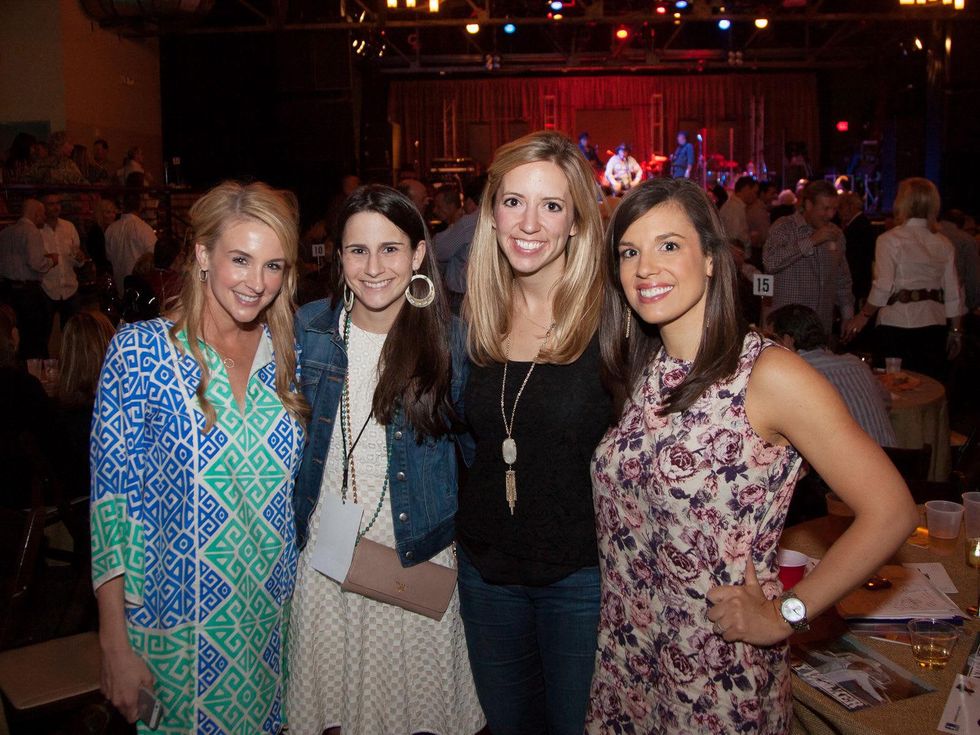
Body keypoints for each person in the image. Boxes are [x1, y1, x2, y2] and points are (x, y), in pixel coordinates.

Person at [586, 178, 916, 733]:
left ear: (713, 260)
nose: (645, 267)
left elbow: (892, 512)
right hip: (630, 661)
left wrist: (787, 614)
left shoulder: (769, 375)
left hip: (715, 675)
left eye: (668, 245)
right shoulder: (645, 370)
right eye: (629, 251)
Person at [90, 181, 308, 732]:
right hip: (170, 635)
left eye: (273, 266)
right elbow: (111, 505)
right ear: (202, 254)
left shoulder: (295, 360)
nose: (256, 284)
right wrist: (113, 642)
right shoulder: (138, 352)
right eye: (240, 259)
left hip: (273, 631)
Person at [287, 185, 484, 735]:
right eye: (358, 250)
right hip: (329, 553)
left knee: (416, 715)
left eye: (390, 249)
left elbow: (478, 454)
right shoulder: (309, 331)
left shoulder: (450, 341)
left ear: (419, 254)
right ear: (338, 256)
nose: (374, 267)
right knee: (337, 715)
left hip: (415, 551)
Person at [457, 130, 609, 735]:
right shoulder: (471, 320)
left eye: (551, 206)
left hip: (581, 576)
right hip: (485, 573)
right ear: (491, 212)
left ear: (575, 222)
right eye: (513, 201)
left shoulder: (616, 320)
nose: (529, 223)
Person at [842, 178, 963, 380]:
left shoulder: (889, 240)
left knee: (895, 391)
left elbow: (883, 287)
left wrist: (862, 317)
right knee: (927, 389)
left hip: (897, 325)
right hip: (934, 325)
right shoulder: (944, 243)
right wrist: (956, 331)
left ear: (901, 203)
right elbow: (953, 294)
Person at [766, 303, 896, 447]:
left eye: (771, 340)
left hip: (847, 466)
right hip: (898, 463)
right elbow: (886, 402)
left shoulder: (796, 375)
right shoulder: (856, 364)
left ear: (787, 341)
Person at [764, 179, 855, 336]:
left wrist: (847, 315)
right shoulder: (785, 227)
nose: (830, 215)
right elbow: (770, 262)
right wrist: (812, 241)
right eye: (825, 208)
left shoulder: (837, 234)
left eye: (834, 209)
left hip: (821, 328)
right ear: (808, 205)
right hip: (787, 331)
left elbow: (842, 279)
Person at [0, 198, 54, 357]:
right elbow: (36, 263)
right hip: (28, 293)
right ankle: (36, 371)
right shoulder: (31, 232)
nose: (44, 217)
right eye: (43, 214)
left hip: (7, 291)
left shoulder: (5, 232)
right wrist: (52, 260)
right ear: (36, 214)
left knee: (14, 333)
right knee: (35, 338)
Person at [39, 192, 86, 345]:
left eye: (57, 203)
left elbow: (77, 259)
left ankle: (71, 364)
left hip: (70, 289)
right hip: (47, 289)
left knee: (73, 335)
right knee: (44, 334)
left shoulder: (68, 227)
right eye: (51, 204)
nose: (55, 207)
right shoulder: (37, 230)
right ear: (43, 207)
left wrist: (80, 258)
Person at [105, 190, 157, 297]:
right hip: (140, 286)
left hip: (120, 284)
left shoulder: (111, 229)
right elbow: (154, 254)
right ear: (140, 206)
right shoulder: (143, 228)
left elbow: (109, 256)